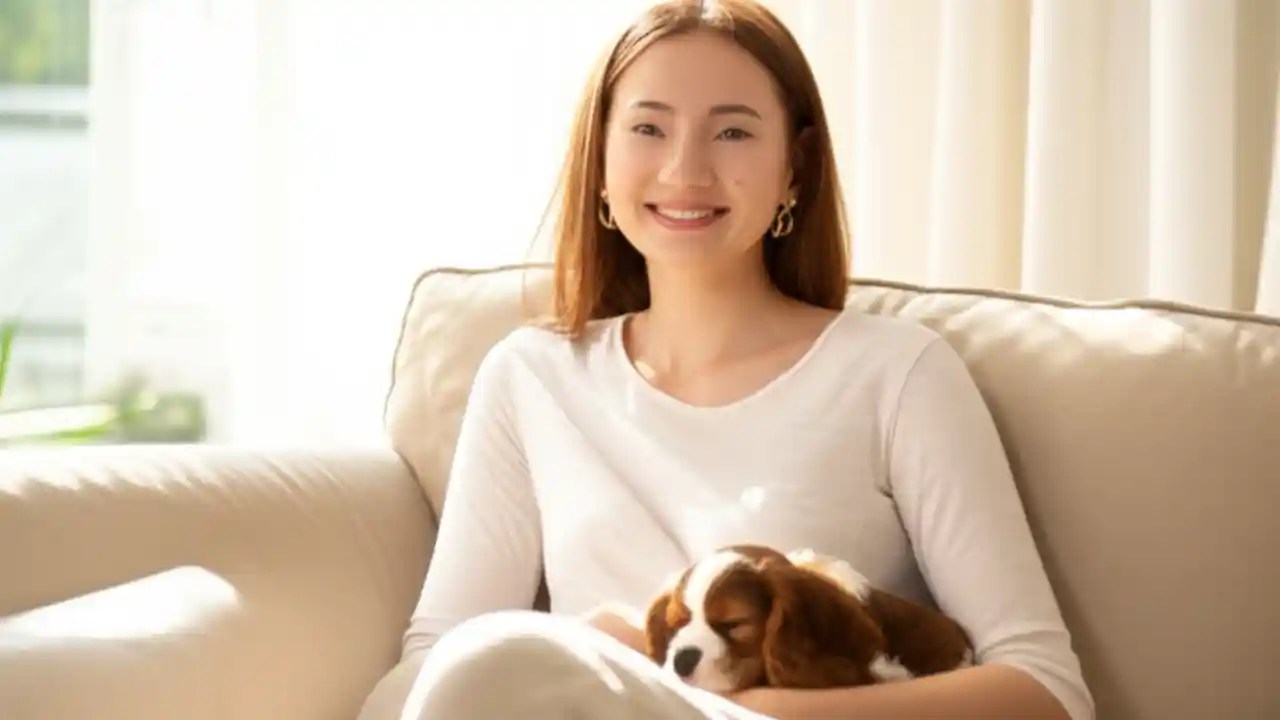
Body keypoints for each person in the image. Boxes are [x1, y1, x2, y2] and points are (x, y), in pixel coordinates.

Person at [358, 0, 1095, 718]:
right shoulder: (531, 377)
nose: (686, 169)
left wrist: (743, 704)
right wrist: (592, 651)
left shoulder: (898, 374)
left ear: (795, 169)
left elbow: (1045, 693)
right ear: (601, 164)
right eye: (649, 127)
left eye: (733, 133)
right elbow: (436, 668)